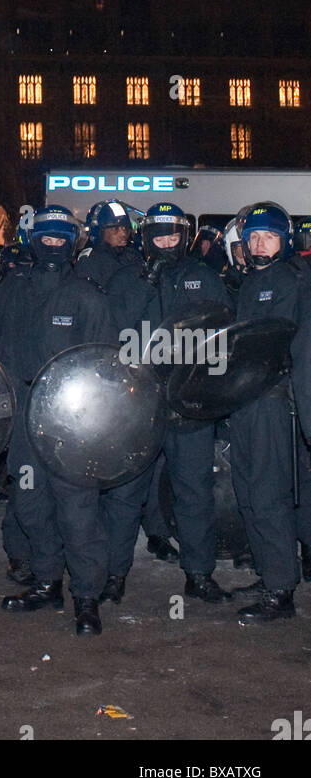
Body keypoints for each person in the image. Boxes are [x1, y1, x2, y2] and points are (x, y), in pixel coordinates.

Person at [101, 202, 233, 606]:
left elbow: (223, 337)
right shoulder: (127, 279)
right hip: (139, 403)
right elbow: (117, 332)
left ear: (184, 236)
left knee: (193, 491)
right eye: (158, 236)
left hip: (189, 405)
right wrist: (146, 283)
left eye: (173, 235)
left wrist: (210, 390)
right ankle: (114, 573)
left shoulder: (204, 277)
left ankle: (198, 573)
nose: (166, 243)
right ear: (146, 238)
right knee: (125, 492)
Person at [0, 206, 117, 635]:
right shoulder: (11, 289)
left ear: (74, 242)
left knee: (78, 512)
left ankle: (86, 596)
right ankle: (47, 581)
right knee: (29, 503)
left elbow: (104, 365)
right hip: (24, 420)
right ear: (32, 239)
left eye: (61, 237)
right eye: (45, 236)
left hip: (72, 421)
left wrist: (93, 422)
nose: (52, 243)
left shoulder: (88, 296)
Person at [231, 203, 311, 623]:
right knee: (247, 491)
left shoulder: (294, 280)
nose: (260, 244)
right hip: (246, 402)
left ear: (286, 240)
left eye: (269, 236)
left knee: (268, 494)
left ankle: (281, 591)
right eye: (254, 237)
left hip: (275, 403)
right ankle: (268, 572)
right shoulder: (251, 282)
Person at [76, 201, 143, 291]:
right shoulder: (89, 261)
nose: (123, 234)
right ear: (99, 232)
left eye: (125, 228)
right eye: (115, 229)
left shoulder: (133, 256)